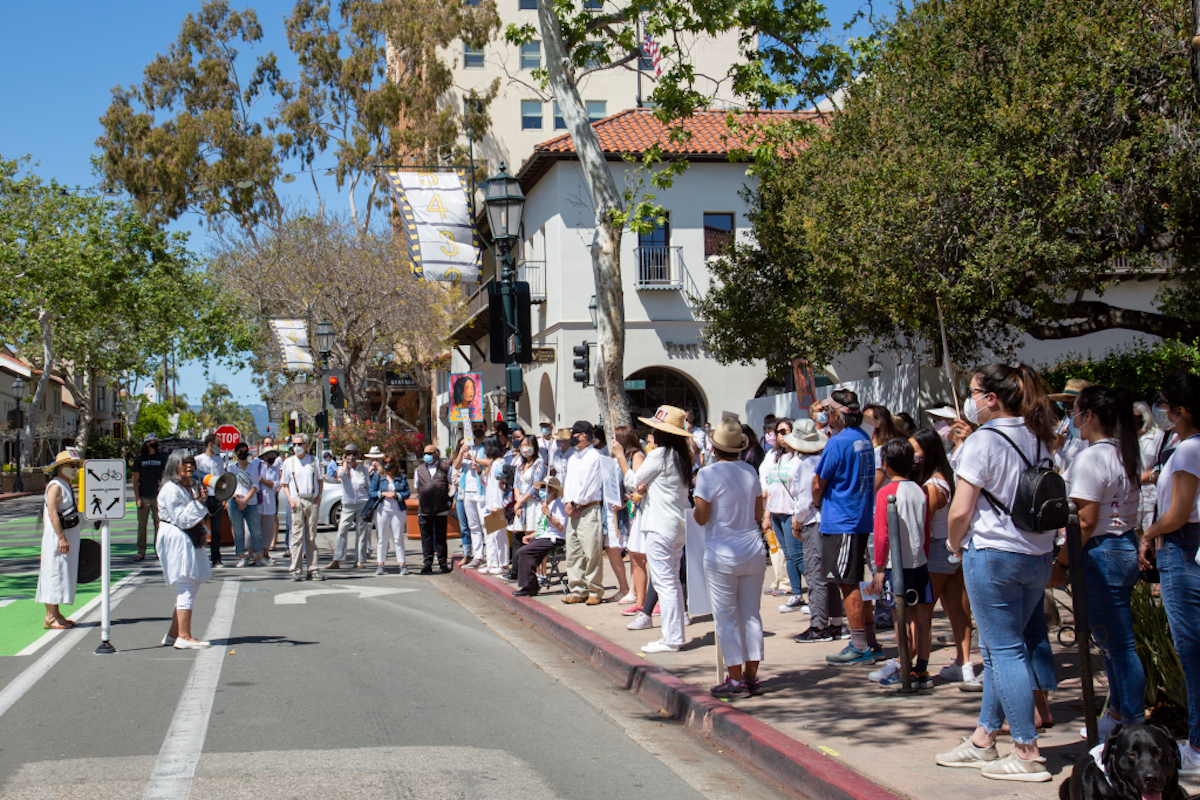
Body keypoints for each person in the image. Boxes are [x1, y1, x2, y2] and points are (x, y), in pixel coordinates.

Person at [937, 362, 1058, 782]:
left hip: (993, 553)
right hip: (1036, 554)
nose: (969, 401)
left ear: (991, 398)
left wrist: (954, 542)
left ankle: (1025, 750)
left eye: (973, 392)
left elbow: (961, 509)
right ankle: (985, 738)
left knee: (1005, 651)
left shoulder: (982, 441)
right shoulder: (1040, 436)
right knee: (999, 649)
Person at [1046, 384, 1144, 743]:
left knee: (1117, 644)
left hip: (1102, 553)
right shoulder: (1124, 452)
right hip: (1120, 547)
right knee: (1112, 642)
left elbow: (1083, 521)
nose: (1071, 418)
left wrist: (1061, 563)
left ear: (1089, 415)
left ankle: (1132, 721)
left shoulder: (1091, 457)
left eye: (1075, 410)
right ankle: (1119, 711)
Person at [1141, 372, 1200, 775]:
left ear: (1182, 411)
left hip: (1183, 547)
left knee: (1192, 652)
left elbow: (1178, 513)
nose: (1163, 413)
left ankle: (1197, 744)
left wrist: (1149, 531)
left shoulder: (1187, 452)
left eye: (1166, 406)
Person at [694, 418, 767, 698]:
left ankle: (735, 679)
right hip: (752, 547)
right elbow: (757, 514)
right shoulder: (750, 471)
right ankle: (751, 676)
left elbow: (701, 517)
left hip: (722, 551)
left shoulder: (707, 474)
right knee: (751, 615)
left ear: (714, 446)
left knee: (726, 617)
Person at [615, 406, 692, 653]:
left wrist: (620, 458)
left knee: (665, 582)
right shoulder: (682, 455)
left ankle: (671, 638)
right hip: (677, 525)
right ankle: (674, 634)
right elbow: (653, 485)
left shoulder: (660, 455)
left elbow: (633, 480)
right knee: (672, 582)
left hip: (660, 526)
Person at [813, 390, 878, 666]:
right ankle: (870, 641)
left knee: (848, 584)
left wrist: (817, 503)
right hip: (858, 518)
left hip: (842, 521)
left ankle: (860, 645)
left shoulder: (838, 443)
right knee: (857, 581)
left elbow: (819, 483)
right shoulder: (863, 438)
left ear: (836, 414)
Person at [908, 428, 974, 687]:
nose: (912, 456)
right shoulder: (946, 478)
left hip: (937, 549)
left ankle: (912, 665)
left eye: (916, 451)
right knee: (956, 608)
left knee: (922, 610)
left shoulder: (933, 485)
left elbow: (921, 520)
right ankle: (964, 664)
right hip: (951, 547)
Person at [867, 439, 933, 688]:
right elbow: (925, 531)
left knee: (900, 619)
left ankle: (905, 668)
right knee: (922, 618)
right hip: (919, 562)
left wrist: (880, 569)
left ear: (885, 464)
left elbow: (883, 534)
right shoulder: (919, 490)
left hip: (897, 565)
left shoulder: (886, 492)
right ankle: (922, 671)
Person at [787, 421, 845, 643]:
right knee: (829, 574)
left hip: (814, 522)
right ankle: (836, 622)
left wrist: (797, 523)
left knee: (815, 574)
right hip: (830, 521)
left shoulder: (805, 465)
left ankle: (818, 625)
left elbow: (805, 500)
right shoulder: (824, 459)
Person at [156, 449, 213, 649]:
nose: (189, 466)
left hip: (186, 537)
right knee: (187, 583)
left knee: (191, 583)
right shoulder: (171, 489)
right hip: (177, 537)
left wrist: (200, 500)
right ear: (175, 465)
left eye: (191, 462)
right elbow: (181, 518)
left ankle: (173, 634)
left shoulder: (185, 487)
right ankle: (184, 636)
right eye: (185, 462)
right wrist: (198, 502)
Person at [759, 417, 804, 614]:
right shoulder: (774, 456)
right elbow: (771, 487)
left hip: (791, 512)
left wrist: (797, 515)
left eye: (785, 431)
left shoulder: (800, 458)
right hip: (776, 510)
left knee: (797, 554)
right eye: (779, 432)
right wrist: (767, 514)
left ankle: (820, 594)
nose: (780, 436)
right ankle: (796, 593)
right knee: (787, 554)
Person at [35, 448, 83, 629]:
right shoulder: (55, 485)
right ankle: (50, 616)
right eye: (71, 466)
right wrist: (61, 537)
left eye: (76, 466)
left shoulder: (65, 484)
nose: (75, 469)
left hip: (66, 539)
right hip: (57, 540)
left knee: (62, 573)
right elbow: (53, 513)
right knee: (53, 574)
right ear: (61, 467)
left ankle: (56, 613)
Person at [561, 420, 606, 604]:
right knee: (573, 551)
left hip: (588, 508)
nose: (571, 437)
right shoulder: (572, 458)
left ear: (582, 436)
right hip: (572, 509)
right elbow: (569, 483)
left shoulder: (595, 457)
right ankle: (578, 588)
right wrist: (568, 503)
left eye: (574, 433)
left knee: (591, 550)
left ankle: (595, 590)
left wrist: (576, 503)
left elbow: (590, 484)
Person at [512, 477, 568, 597]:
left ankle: (530, 586)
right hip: (544, 536)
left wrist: (548, 513)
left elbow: (560, 527)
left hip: (554, 538)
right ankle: (530, 584)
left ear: (552, 490)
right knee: (520, 553)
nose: (541, 490)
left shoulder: (559, 504)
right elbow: (543, 527)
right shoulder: (545, 504)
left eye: (544, 488)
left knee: (524, 552)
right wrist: (531, 536)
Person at [280, 433, 324, 582]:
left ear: (306, 445)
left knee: (311, 536)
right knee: (297, 536)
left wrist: (319, 497)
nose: (296, 447)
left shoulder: (314, 460)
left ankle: (313, 568)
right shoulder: (289, 462)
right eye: (294, 444)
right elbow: (284, 484)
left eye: (299, 444)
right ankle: (296, 569)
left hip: (311, 500)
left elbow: (320, 480)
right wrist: (290, 499)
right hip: (297, 500)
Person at [614, 426, 649, 616]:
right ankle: (638, 595)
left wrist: (629, 499)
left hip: (638, 509)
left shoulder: (636, 456)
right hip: (630, 510)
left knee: (639, 555)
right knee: (633, 553)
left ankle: (640, 597)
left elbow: (636, 484)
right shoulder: (622, 459)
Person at [599, 443, 632, 601]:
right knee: (612, 550)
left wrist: (624, 502)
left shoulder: (630, 462)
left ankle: (635, 590)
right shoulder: (607, 463)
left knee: (632, 552)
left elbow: (632, 488)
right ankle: (623, 588)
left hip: (624, 515)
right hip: (608, 513)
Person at [226, 441, 267, 568]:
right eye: (240, 452)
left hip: (251, 503)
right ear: (235, 454)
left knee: (256, 531)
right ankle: (242, 557)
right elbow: (228, 487)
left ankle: (260, 557)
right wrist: (237, 499)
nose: (243, 454)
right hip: (235, 503)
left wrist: (245, 501)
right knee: (238, 532)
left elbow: (255, 486)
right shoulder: (231, 468)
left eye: (245, 451)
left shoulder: (253, 467)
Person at [329, 443, 370, 570]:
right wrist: (344, 462)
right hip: (348, 504)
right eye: (348, 454)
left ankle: (360, 560)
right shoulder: (344, 469)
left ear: (357, 455)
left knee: (362, 532)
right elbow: (341, 476)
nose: (351, 456)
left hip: (362, 502)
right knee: (342, 530)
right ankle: (337, 559)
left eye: (353, 454)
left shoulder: (363, 469)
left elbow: (368, 486)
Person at [509, 436, 545, 576]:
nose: (525, 448)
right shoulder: (520, 464)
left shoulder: (539, 463)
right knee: (524, 536)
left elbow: (535, 486)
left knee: (534, 536)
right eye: (522, 445)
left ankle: (541, 572)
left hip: (532, 502)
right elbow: (516, 484)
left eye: (527, 445)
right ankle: (527, 572)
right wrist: (518, 503)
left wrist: (520, 502)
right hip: (522, 503)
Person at [369, 453, 411, 575]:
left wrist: (397, 495)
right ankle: (380, 564)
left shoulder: (401, 477)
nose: (388, 465)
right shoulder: (379, 476)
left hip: (398, 510)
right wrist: (382, 494)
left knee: (398, 538)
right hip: (382, 509)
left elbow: (407, 493)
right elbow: (371, 492)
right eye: (386, 463)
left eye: (391, 462)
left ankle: (402, 564)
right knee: (382, 538)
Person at [414, 443, 452, 574]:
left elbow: (452, 484)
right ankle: (427, 564)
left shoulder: (445, 468)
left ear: (437, 454)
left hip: (441, 509)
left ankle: (442, 563)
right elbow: (417, 486)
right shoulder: (419, 469)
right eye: (425, 454)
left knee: (441, 538)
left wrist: (449, 500)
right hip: (424, 509)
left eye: (429, 453)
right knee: (426, 538)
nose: (427, 456)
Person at [453, 422, 488, 566]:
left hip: (483, 490)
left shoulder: (488, 445)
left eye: (481, 427)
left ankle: (491, 556)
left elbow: (492, 462)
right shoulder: (467, 446)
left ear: (485, 428)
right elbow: (456, 466)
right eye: (475, 427)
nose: (478, 430)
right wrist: (462, 452)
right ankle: (478, 556)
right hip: (467, 490)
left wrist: (474, 460)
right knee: (473, 526)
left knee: (486, 524)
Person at [131, 433, 166, 562]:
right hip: (144, 496)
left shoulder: (162, 458)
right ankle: (141, 551)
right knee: (142, 526)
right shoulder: (140, 459)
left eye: (156, 441)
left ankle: (159, 550)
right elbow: (135, 480)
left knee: (159, 525)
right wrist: (138, 498)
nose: (155, 443)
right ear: (147, 443)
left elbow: (165, 476)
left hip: (158, 496)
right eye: (153, 441)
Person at [479, 434, 511, 575]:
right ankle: (492, 562)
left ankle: (503, 564)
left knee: (500, 535)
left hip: (496, 506)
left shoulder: (500, 464)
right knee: (490, 535)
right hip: (489, 504)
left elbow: (500, 487)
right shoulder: (492, 464)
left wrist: (497, 506)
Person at [195, 433, 227, 567]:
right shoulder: (198, 460)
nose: (219, 447)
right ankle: (198, 557)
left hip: (217, 497)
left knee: (216, 530)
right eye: (217, 444)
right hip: (203, 497)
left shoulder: (219, 460)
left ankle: (216, 558)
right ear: (210, 444)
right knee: (199, 528)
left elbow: (221, 477)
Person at [1135, 400, 1166, 533]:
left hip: (1150, 493)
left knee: (1149, 532)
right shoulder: (1128, 438)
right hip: (1133, 495)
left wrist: (1141, 477)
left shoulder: (1158, 436)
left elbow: (1161, 464)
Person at [259, 439, 281, 552]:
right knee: (257, 529)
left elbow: (275, 485)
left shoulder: (274, 470)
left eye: (274, 455)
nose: (273, 457)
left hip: (269, 503)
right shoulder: (257, 466)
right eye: (271, 454)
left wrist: (263, 481)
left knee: (268, 529)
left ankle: (266, 552)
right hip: (257, 503)